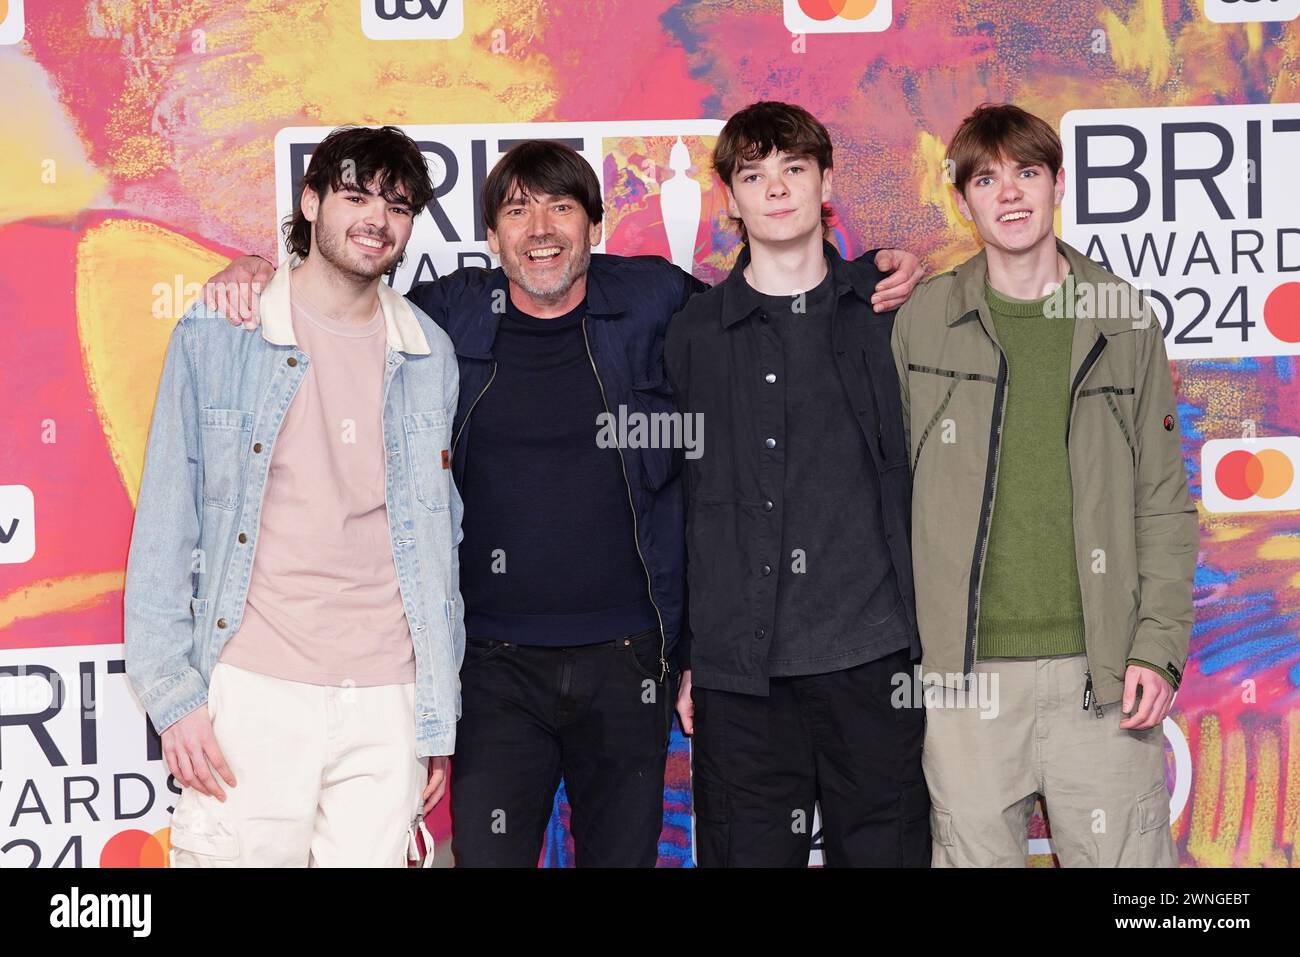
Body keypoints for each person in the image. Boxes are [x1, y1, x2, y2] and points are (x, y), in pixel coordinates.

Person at [201, 136, 924, 867]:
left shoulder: (653, 301)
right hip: (492, 664)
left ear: (594, 226)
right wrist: (263, 273)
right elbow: (341, 292)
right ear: (491, 237)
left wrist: (867, 276)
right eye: (517, 210)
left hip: (630, 658)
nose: (540, 228)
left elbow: (768, 303)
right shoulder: (445, 315)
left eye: (561, 206)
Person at [125, 124, 464, 866]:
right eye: (354, 196)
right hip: (256, 687)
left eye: (398, 207)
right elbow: (165, 519)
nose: (376, 219)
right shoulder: (223, 331)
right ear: (310, 201)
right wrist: (170, 693)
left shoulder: (428, 351)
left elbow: (440, 541)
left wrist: (435, 714)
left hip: (388, 698)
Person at [890, 103, 1197, 867]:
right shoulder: (921, 320)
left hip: (1103, 673)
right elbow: (883, 487)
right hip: (964, 681)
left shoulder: (1121, 317)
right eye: (987, 178)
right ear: (962, 200)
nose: (1011, 194)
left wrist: (1157, 650)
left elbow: (1162, 498)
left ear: (1059, 183)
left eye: (1028, 172)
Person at [665, 101, 930, 867]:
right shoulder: (691, 331)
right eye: (754, 174)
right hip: (741, 679)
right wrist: (687, 656)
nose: (776, 189)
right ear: (729, 197)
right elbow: (678, 501)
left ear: (825, 184)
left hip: (877, 664)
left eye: (794, 169)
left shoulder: (890, 312)